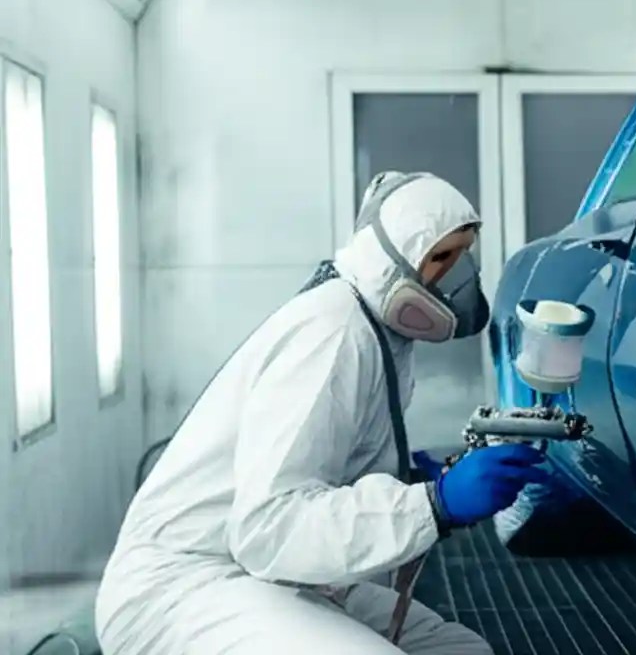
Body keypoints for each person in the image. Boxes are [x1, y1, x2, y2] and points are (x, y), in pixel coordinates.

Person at [96, 172, 547, 654]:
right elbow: (268, 526)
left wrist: (417, 480)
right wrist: (434, 504)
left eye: (461, 257)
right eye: (440, 258)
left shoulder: (377, 333)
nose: (456, 278)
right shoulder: (333, 332)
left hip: (272, 574)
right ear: (391, 263)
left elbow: (324, 472)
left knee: (460, 651)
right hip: (186, 583)